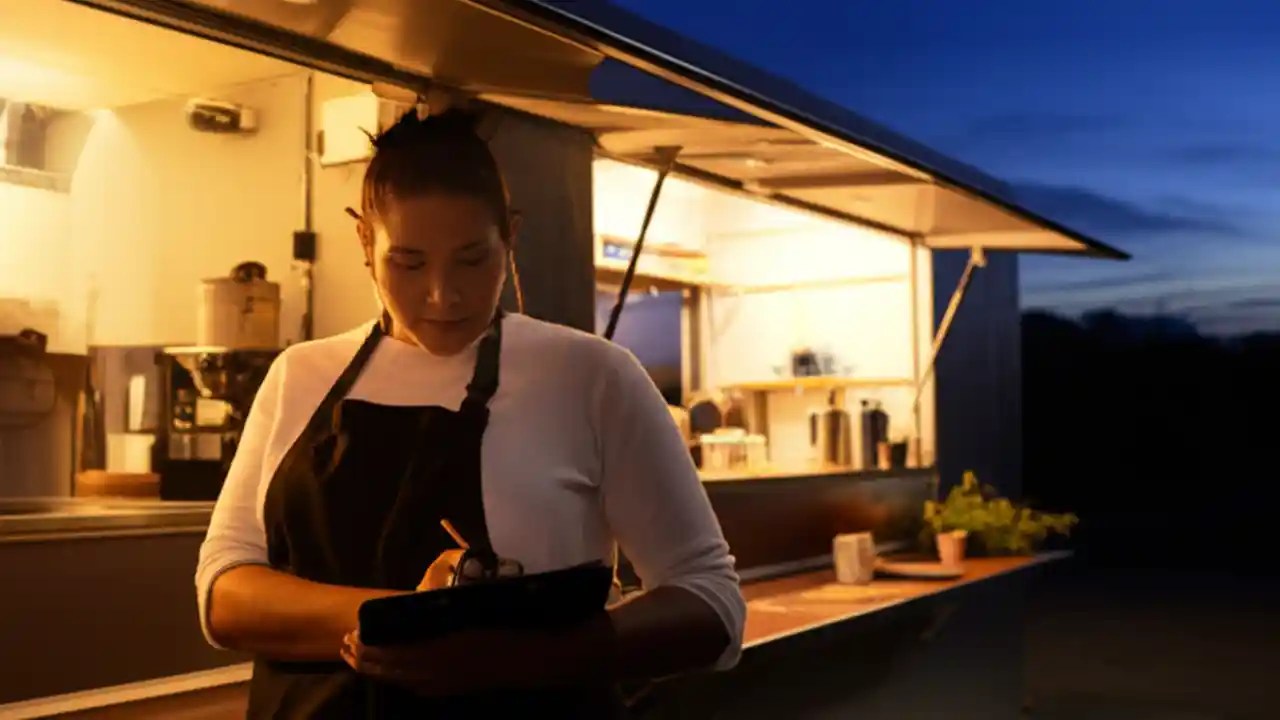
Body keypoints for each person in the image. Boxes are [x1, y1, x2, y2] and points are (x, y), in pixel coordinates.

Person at [194, 106, 745, 718]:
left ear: (510, 236)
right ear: (365, 242)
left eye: (473, 258)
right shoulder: (300, 375)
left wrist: (524, 657)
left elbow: (712, 603)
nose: (443, 294)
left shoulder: (591, 376)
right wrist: (410, 620)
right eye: (408, 263)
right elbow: (224, 593)